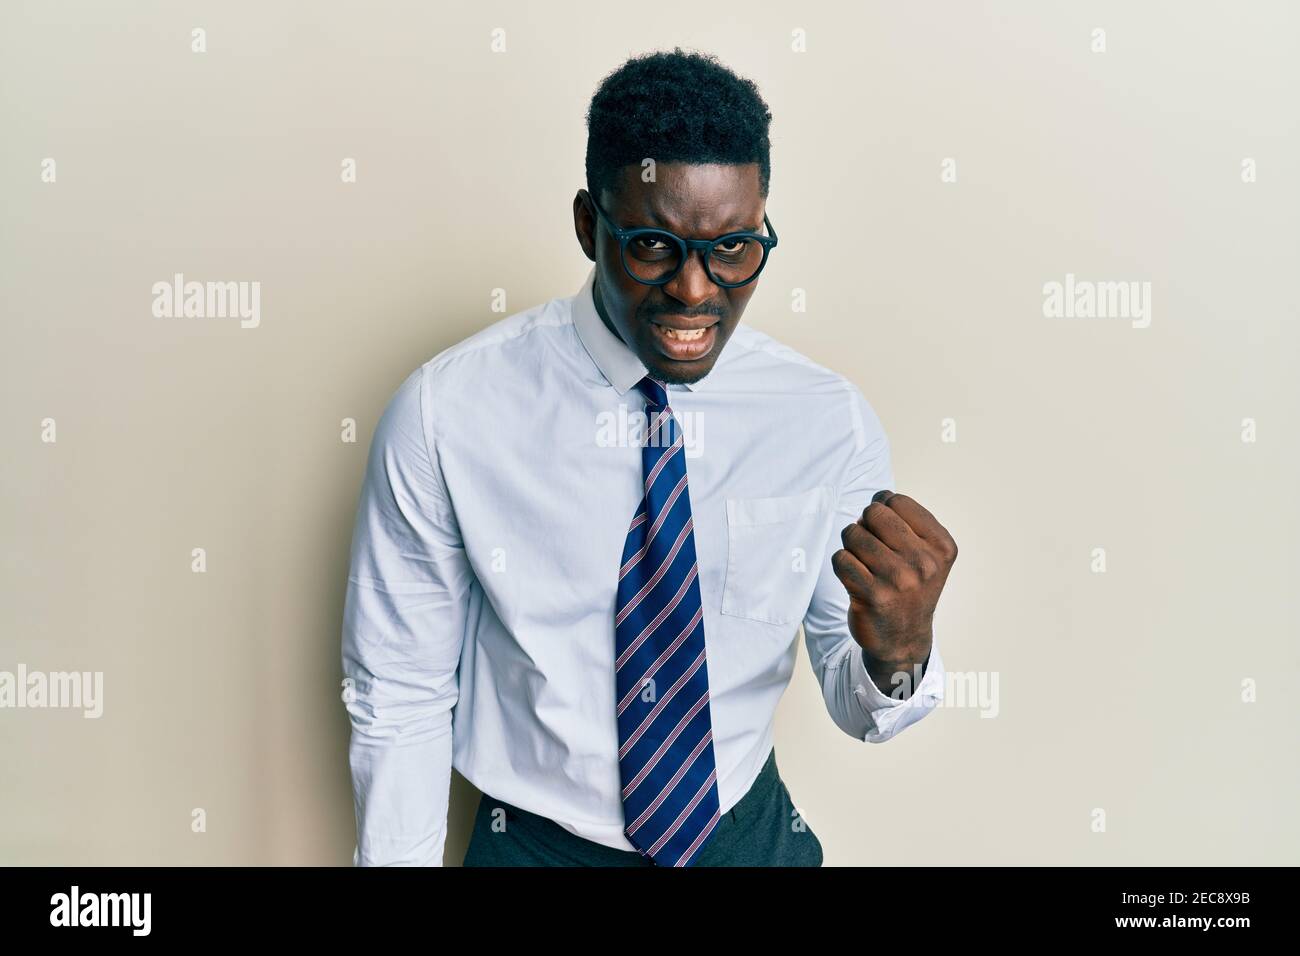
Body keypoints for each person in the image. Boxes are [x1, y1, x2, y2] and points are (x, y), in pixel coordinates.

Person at [341, 47, 958, 867]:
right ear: (589, 227)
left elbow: (858, 702)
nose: (697, 291)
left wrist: (899, 652)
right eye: (654, 246)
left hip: (745, 834)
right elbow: (400, 698)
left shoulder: (825, 423)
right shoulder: (447, 414)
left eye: (734, 247)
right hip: (536, 845)